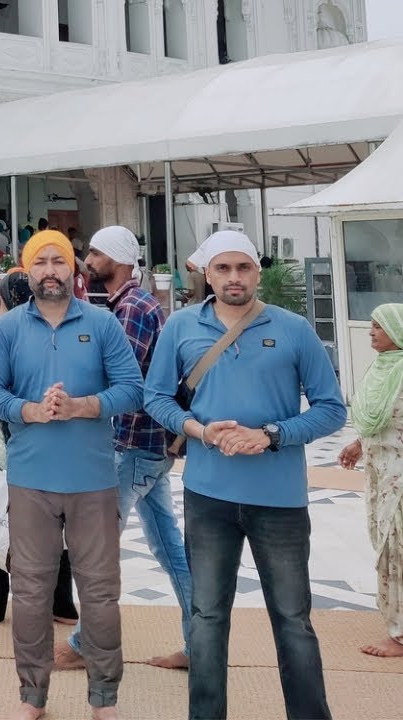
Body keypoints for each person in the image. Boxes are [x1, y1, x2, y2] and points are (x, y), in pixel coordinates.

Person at [145, 230, 347, 720]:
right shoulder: (180, 327)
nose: (234, 278)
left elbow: (331, 410)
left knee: (293, 620)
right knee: (208, 617)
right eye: (223, 269)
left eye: (244, 268)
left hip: (279, 499)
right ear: (207, 274)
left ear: (258, 272)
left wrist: (271, 434)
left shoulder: (294, 328)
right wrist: (200, 430)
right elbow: (155, 399)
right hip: (207, 496)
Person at [0, 230, 144, 720]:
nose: (50, 270)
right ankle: (32, 698)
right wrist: (27, 411)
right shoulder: (8, 330)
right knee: (29, 592)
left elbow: (132, 389)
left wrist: (83, 406)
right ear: (26, 272)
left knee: (100, 592)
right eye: (40, 262)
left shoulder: (102, 323)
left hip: (93, 480)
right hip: (30, 480)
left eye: (59, 261)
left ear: (74, 269)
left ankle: (104, 699)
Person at [55, 226, 192, 672]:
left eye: (94, 254)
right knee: (169, 549)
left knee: (97, 548)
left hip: (135, 444)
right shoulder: (131, 304)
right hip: (149, 445)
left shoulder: (132, 308)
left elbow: (119, 379)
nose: (86, 262)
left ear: (116, 259)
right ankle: (201, 642)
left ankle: (85, 643)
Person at [0, 271, 80, 627]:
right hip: (60, 451)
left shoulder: (12, 337)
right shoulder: (59, 334)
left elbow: (5, 394)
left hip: (19, 449)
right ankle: (61, 605)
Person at [337, 303, 403, 658]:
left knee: (398, 550)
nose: (371, 332)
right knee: (387, 548)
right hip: (381, 475)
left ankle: (400, 635)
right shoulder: (381, 369)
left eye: (379, 326)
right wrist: (359, 444)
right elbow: (379, 422)